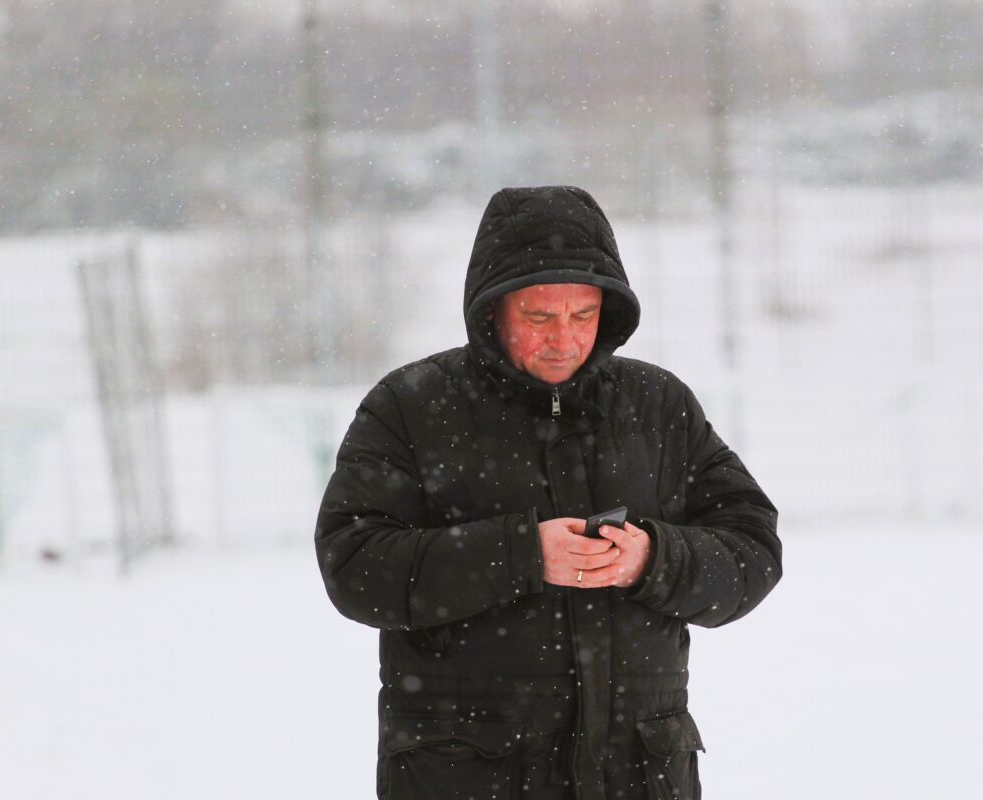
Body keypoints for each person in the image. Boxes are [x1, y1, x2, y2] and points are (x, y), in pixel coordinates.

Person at [315, 185, 782, 800]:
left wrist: (652, 559)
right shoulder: (411, 407)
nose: (563, 338)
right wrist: (518, 554)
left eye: (582, 315)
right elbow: (353, 565)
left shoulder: (660, 406)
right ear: (493, 313)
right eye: (539, 317)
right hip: (463, 775)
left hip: (640, 774)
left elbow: (753, 549)